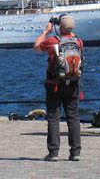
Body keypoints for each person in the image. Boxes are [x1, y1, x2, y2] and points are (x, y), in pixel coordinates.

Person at [33, 15, 83, 162]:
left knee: (54, 118)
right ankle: (75, 152)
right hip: (73, 83)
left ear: (59, 27)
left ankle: (53, 153)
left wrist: (45, 32)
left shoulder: (53, 41)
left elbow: (36, 47)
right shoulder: (79, 42)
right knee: (73, 117)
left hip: (54, 84)